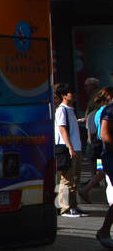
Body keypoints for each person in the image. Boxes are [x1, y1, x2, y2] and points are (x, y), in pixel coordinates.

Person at [54, 83, 83, 217]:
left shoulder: (70, 110)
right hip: (67, 149)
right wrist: (70, 147)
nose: (74, 95)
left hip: (76, 148)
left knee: (74, 179)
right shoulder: (62, 110)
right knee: (67, 180)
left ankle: (73, 205)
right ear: (63, 95)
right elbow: (62, 128)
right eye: (70, 92)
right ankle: (64, 207)